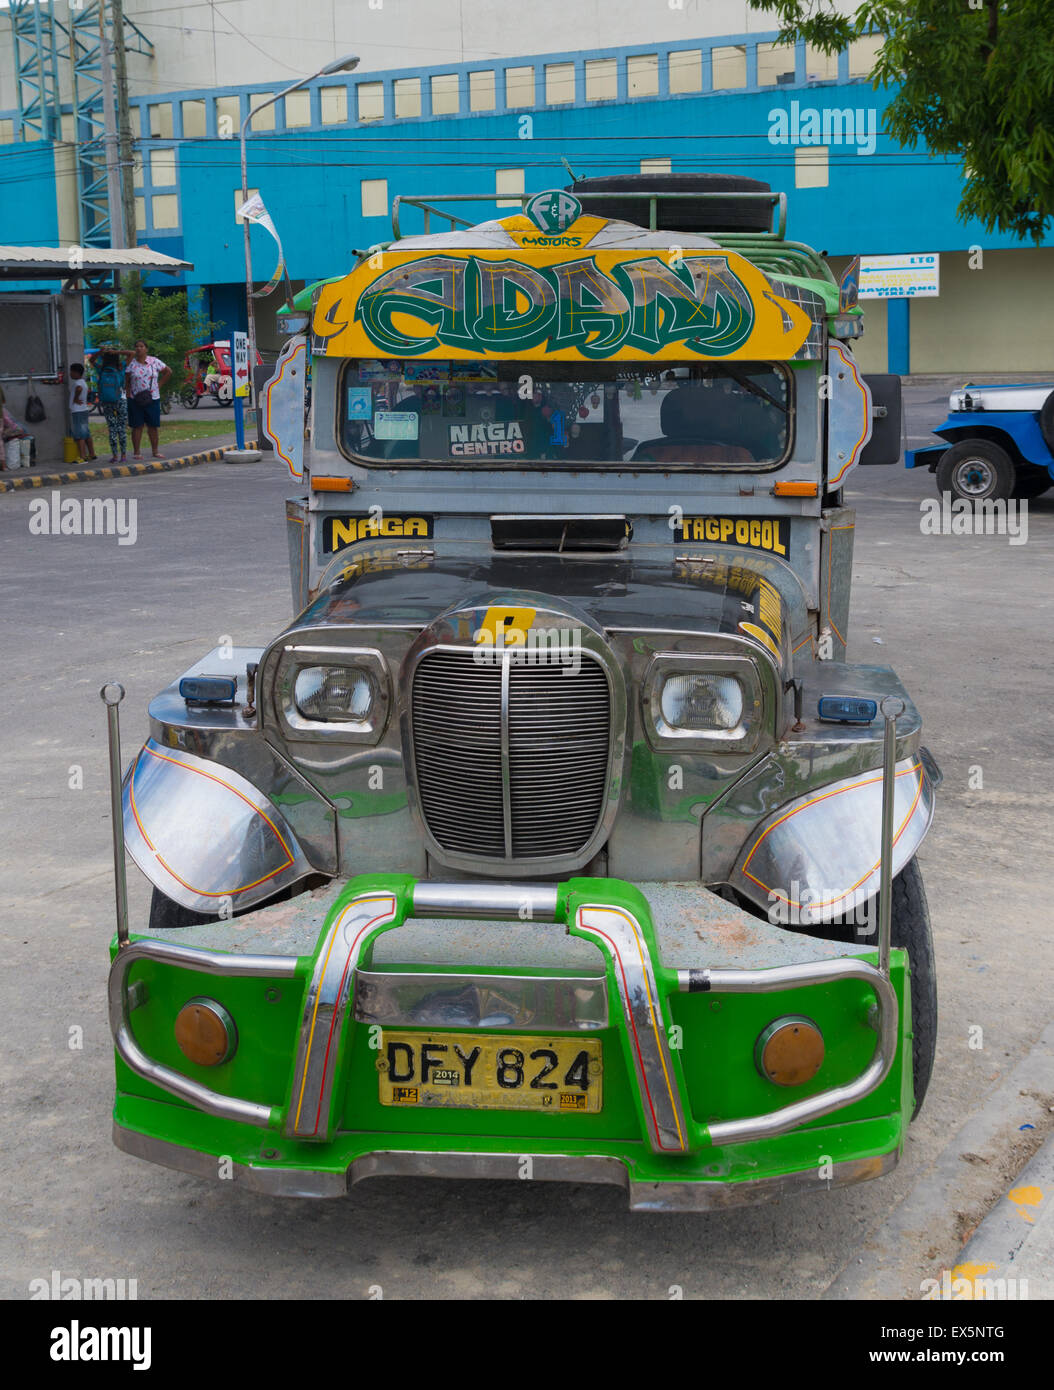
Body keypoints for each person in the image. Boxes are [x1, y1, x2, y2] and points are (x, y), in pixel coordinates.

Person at [125, 339, 171, 459]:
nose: (139, 349)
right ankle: (136, 452)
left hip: (152, 398)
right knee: (137, 426)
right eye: (137, 346)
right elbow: (127, 379)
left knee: (153, 426)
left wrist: (159, 385)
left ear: (146, 349)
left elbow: (168, 372)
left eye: (141, 346)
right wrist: (128, 394)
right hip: (135, 398)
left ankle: (155, 451)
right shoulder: (132, 364)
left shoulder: (154, 361)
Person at [94, 351, 128, 463]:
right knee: (121, 428)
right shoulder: (120, 367)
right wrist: (117, 352)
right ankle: (123, 455)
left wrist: (100, 352)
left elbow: (91, 360)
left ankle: (114, 456)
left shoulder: (101, 369)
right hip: (120, 400)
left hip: (106, 401)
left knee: (112, 428)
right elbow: (132, 354)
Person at [69, 363, 97, 462]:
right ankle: (92, 453)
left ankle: (82, 456)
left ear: (76, 373)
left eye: (71, 371)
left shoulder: (77, 383)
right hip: (84, 410)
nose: (70, 374)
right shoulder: (83, 382)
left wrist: (75, 398)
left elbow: (79, 389)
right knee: (86, 433)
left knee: (79, 434)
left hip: (78, 411)